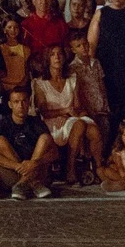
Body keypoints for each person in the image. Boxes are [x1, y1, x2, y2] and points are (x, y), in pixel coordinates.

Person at [31, 45, 103, 184]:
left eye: (60, 54)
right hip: (53, 121)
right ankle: (70, 168)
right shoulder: (40, 83)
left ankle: (99, 167)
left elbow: (77, 106)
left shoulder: (72, 79)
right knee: (79, 124)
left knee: (93, 129)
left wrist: (73, 114)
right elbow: (43, 111)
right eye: (53, 54)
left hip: (71, 117)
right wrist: (64, 111)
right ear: (48, 59)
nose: (57, 57)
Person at [0, 88, 57, 198]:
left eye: (24, 101)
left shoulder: (36, 122)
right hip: (13, 172)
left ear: (29, 103)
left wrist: (35, 163)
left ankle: (22, 184)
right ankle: (33, 183)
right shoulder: (1, 124)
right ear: (10, 105)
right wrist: (18, 166)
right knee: (0, 141)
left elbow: (54, 153)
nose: (21, 105)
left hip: (35, 169)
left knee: (45, 138)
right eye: (16, 102)